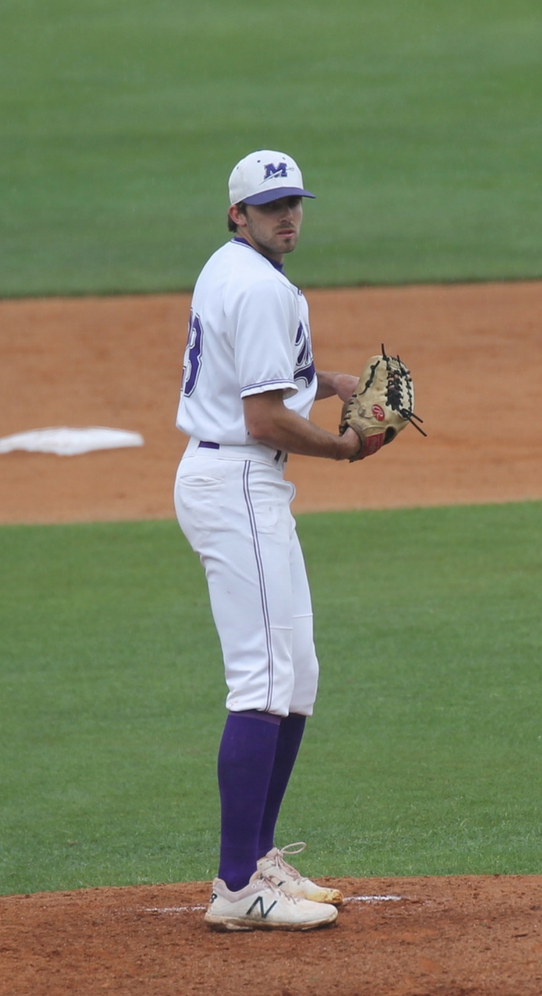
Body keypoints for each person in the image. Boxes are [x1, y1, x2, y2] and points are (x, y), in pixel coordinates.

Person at [173, 150, 383, 931]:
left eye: (294, 203)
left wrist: (327, 383)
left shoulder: (232, 269)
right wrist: (349, 450)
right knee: (263, 680)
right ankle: (237, 889)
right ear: (238, 214)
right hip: (236, 480)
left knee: (296, 678)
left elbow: (255, 376)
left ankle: (258, 862)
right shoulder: (260, 288)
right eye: (270, 207)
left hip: (243, 480)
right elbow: (261, 419)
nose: (287, 217)